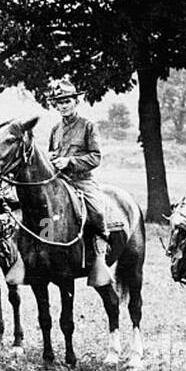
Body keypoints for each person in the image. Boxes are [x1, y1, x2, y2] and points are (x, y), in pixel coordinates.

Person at [45, 78, 113, 287]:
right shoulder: (55, 129)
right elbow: (51, 152)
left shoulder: (88, 126)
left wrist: (70, 162)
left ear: (76, 101)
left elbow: (95, 157)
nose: (63, 105)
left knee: (98, 211)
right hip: (59, 181)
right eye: (59, 102)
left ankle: (100, 250)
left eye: (67, 101)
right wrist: (52, 159)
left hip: (82, 181)